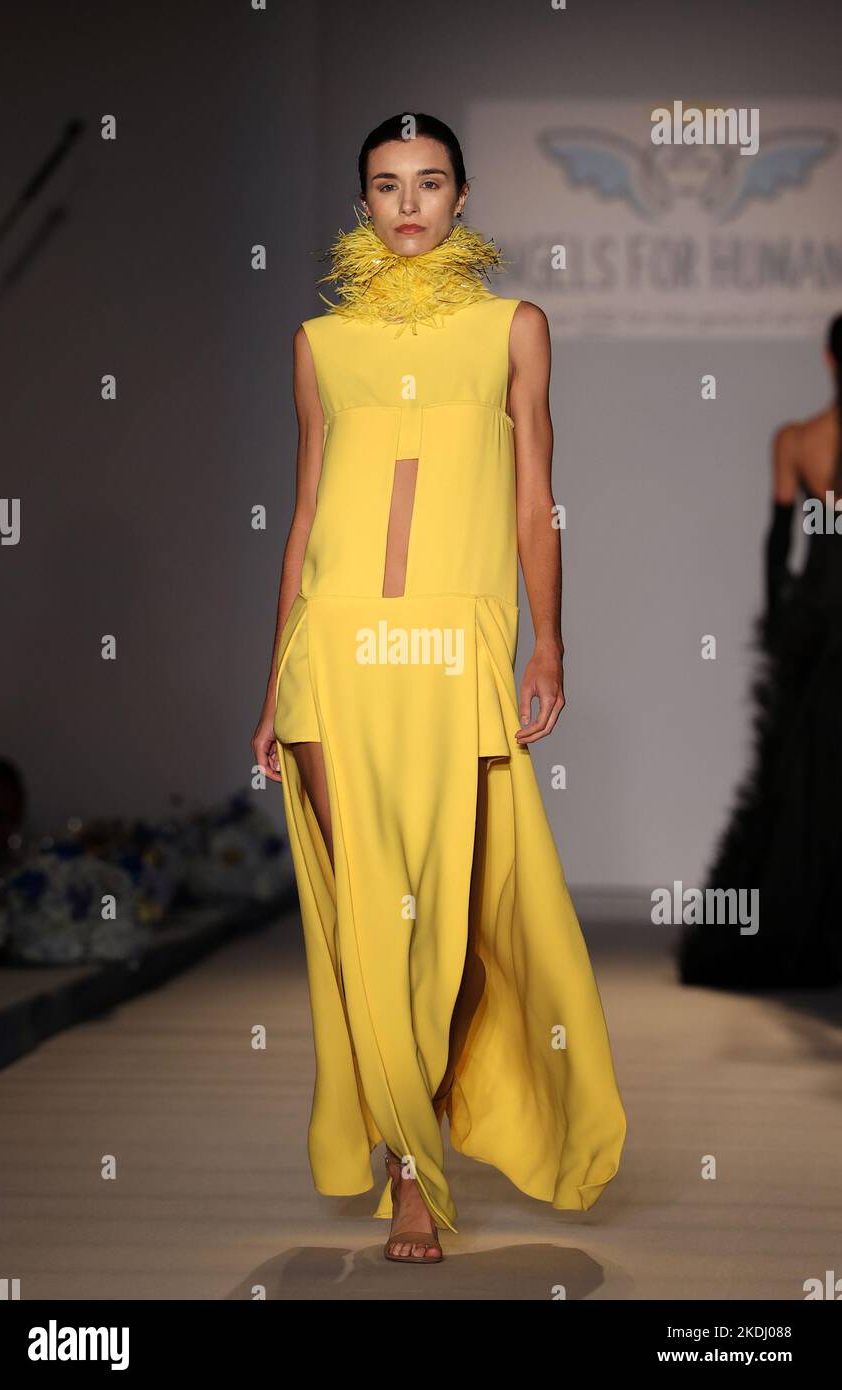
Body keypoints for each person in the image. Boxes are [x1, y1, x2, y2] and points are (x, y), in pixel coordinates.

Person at [252, 113, 626, 1263]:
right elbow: (307, 512)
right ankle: (411, 1171)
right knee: (370, 916)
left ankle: (428, 1127)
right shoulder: (322, 345)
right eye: (385, 184)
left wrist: (548, 642)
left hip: (457, 648)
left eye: (428, 183)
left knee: (453, 928)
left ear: (462, 197)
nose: (407, 203)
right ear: (362, 203)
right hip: (340, 651)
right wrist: (274, 683)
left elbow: (533, 500)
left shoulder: (513, 329)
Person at [679, 314, 842, 989]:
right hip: (823, 630)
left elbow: (779, 547)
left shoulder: (799, 440)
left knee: (804, 786)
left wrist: (780, 630)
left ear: (830, 361)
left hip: (819, 622)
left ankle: (797, 935)